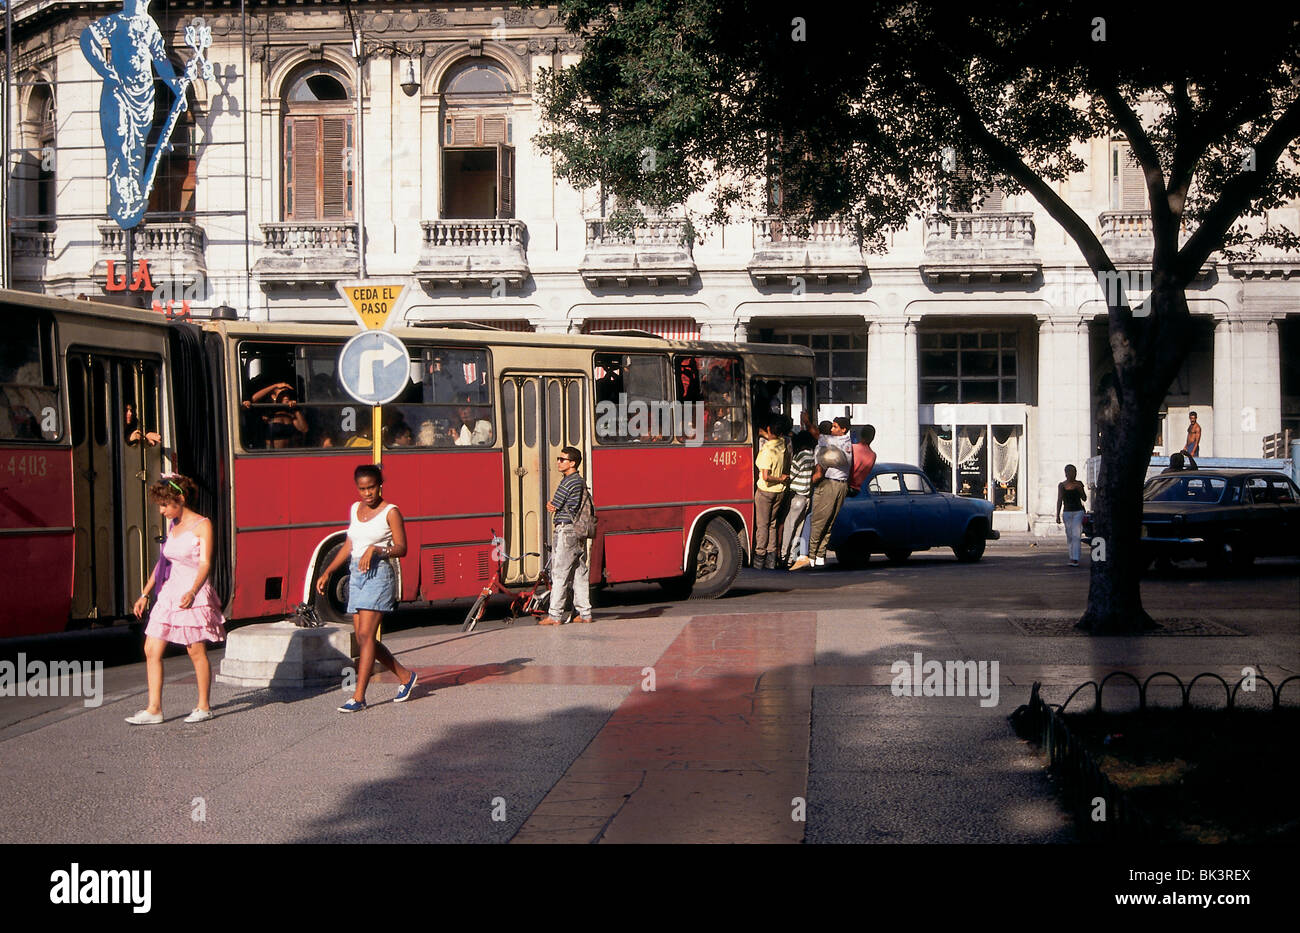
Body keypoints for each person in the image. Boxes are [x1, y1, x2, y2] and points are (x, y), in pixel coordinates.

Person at [315, 465, 418, 712]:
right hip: (356, 574)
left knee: (367, 637)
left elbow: (402, 548)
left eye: (371, 487)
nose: (367, 493)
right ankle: (405, 676)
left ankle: (359, 697)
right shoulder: (355, 509)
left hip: (379, 576)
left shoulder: (391, 512)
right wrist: (327, 572)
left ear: (379, 484)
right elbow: (350, 543)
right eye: (362, 489)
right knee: (363, 638)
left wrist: (378, 550)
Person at [126, 474, 226, 724]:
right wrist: (144, 593)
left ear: (179, 499)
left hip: (192, 592)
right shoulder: (173, 525)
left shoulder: (203, 524)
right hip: (170, 592)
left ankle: (203, 706)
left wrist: (193, 591)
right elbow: (162, 563)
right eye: (159, 505)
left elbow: (205, 563)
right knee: (151, 649)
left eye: (164, 505)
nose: (161, 510)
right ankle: (154, 709)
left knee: (195, 650)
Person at [81, 1, 186, 229]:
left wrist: (178, 89)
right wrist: (103, 69)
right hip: (118, 90)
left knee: (137, 147)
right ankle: (121, 201)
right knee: (119, 144)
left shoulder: (149, 25)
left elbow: (160, 60)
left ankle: (133, 198)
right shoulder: (116, 21)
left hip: (144, 94)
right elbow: (87, 36)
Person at [793, 414, 853, 570]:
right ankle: (819, 555)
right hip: (840, 484)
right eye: (832, 427)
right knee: (827, 522)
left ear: (843, 430)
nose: (833, 430)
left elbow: (816, 435)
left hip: (830, 485)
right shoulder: (844, 441)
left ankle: (812, 556)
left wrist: (807, 422)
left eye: (836, 427)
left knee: (820, 522)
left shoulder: (837, 441)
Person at [544, 446, 593, 625]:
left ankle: (554, 615)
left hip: (566, 530)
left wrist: (553, 505)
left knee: (560, 572)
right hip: (577, 531)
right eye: (559, 459)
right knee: (579, 571)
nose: (558, 462)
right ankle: (585, 613)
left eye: (562, 459)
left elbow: (554, 504)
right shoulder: (579, 481)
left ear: (572, 463)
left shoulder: (569, 481)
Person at [752, 416, 791, 569]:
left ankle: (759, 556)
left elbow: (766, 477)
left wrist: (780, 478)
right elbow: (773, 436)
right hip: (779, 492)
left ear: (769, 430)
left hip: (766, 491)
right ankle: (771, 558)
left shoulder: (767, 450)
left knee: (762, 525)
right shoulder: (783, 444)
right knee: (772, 524)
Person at [779, 430, 817, 568]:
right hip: (806, 498)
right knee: (798, 529)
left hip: (796, 497)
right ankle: (791, 558)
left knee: (789, 527)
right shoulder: (812, 456)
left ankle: (783, 556)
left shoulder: (800, 456)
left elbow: (791, 475)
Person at [1055, 464, 1088, 567]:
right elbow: (1059, 500)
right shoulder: (1062, 485)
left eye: (1074, 472)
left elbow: (1084, 498)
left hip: (1078, 511)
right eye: (1070, 472)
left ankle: (1075, 559)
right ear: (1066, 473)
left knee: (1076, 535)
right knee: (1070, 536)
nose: (1073, 474)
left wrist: (1080, 489)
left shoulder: (1079, 484)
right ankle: (1071, 556)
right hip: (1067, 512)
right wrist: (1057, 514)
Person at [849, 424, 877, 495]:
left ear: (861, 434)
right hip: (856, 490)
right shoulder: (873, 455)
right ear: (872, 438)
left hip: (845, 486)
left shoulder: (851, 448)